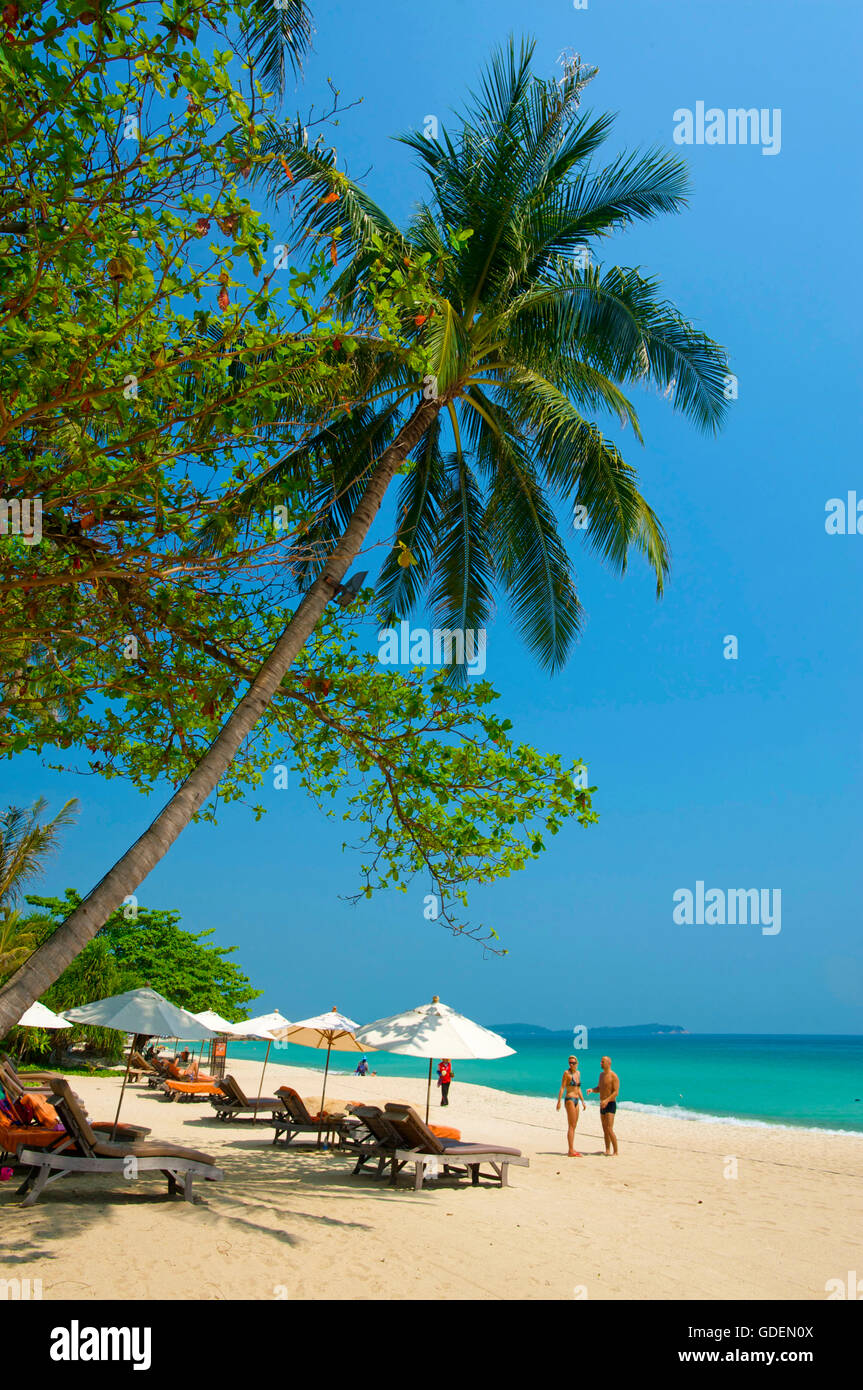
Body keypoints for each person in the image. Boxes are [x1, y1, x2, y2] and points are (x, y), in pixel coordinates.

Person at [587, 1055, 620, 1155]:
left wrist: (607, 1100)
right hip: (602, 1104)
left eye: (602, 1062)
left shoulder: (614, 1076)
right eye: (601, 1061)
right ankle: (607, 1150)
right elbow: (599, 1088)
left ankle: (616, 1151)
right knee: (605, 1129)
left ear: (608, 1063)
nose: (601, 1063)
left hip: (610, 1104)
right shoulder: (601, 1075)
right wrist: (592, 1090)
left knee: (609, 1128)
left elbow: (616, 1092)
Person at [556, 1054, 586, 1156]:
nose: (571, 1064)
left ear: (577, 1063)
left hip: (577, 1099)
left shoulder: (578, 1073)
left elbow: (579, 1089)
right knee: (571, 1126)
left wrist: (583, 1101)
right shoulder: (566, 1073)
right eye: (570, 1063)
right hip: (569, 1099)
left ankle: (572, 1148)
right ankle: (571, 1150)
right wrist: (559, 1101)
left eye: (573, 1063)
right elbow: (562, 1087)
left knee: (574, 1125)